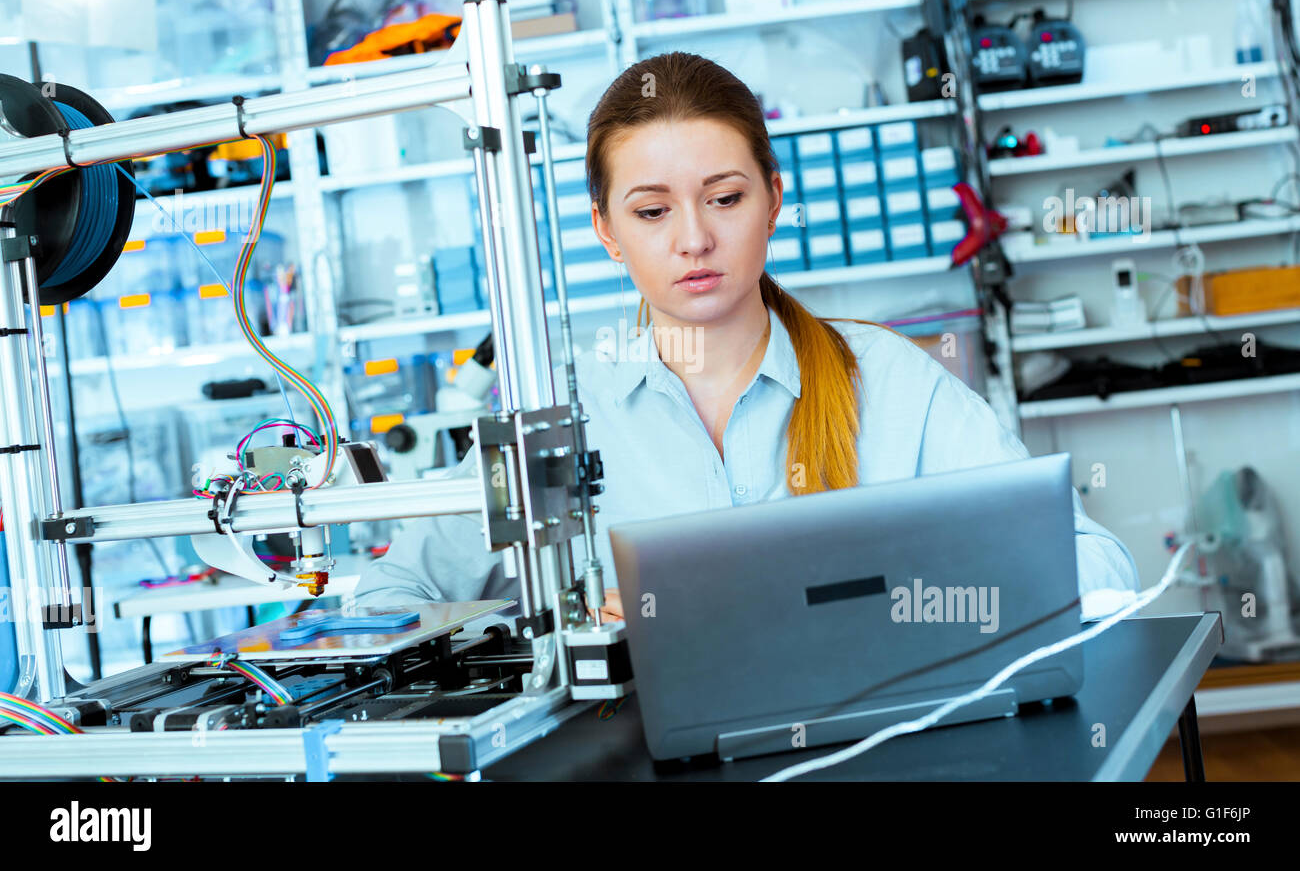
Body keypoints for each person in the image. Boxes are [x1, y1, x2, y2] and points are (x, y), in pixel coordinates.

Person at [354, 51, 1140, 619]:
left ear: (773, 199)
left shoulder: (889, 380)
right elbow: (389, 600)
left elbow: (1099, 564)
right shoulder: (558, 419)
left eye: (725, 199)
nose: (694, 239)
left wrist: (915, 590)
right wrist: (559, 625)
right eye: (652, 211)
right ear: (606, 232)